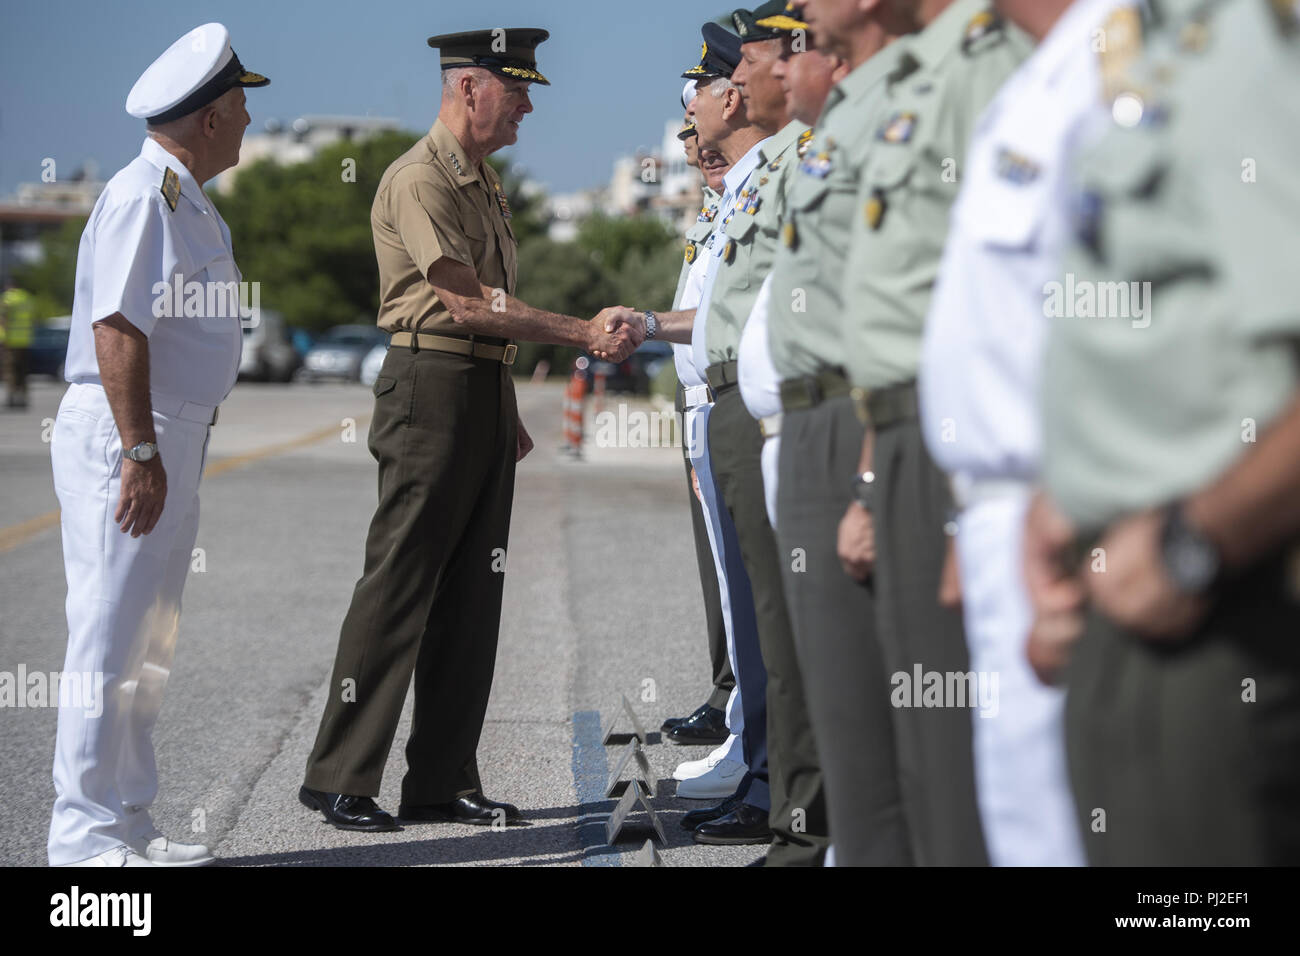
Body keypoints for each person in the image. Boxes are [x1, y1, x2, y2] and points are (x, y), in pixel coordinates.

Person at [300, 28, 640, 832]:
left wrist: (506, 404)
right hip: (430, 384)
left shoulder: (483, 181)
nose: (526, 108)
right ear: (469, 90)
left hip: (478, 386)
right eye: (517, 92)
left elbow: (487, 322)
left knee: (472, 597)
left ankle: (441, 780)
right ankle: (339, 775)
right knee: (400, 584)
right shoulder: (420, 178)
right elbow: (464, 301)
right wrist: (584, 332)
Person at [1029, 0, 1300, 866]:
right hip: (1137, 590)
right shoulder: (1169, 40)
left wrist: (1195, 542)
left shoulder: (1254, 42)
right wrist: (1067, 497)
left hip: (1222, 605)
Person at [48, 22, 268, 867]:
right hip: (129, 432)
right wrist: (140, 453)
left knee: (149, 636)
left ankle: (128, 823)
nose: (249, 120)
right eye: (241, 105)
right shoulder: (146, 195)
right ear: (209, 117)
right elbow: (116, 328)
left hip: (168, 430)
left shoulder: (182, 196)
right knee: (108, 633)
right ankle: (81, 838)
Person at [918, 0, 1128, 867]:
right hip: (1014, 509)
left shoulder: (1121, 56)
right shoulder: (1040, 73)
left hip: (1081, 517)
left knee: (1084, 830)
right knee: (1026, 823)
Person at [642, 5, 830, 863]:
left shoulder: (790, 162)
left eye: (734, 68)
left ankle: (784, 792)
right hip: (728, 406)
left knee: (776, 616)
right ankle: (764, 771)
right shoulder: (754, 173)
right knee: (753, 608)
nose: (700, 104)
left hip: (770, 414)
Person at [662, 80, 737, 757]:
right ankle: (730, 693)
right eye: (692, 142)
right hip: (700, 407)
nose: (697, 151)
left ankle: (737, 703)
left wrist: (645, 325)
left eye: (706, 142)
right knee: (718, 565)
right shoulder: (713, 210)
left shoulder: (744, 203)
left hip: (727, 403)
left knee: (737, 568)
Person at [1, 280, 37, 409]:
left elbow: (4, 318)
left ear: (9, 286)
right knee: (23, 370)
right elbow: (32, 319)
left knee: (10, 371)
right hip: (25, 341)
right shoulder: (27, 298)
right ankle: (23, 398)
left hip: (10, 341)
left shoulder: (8, 298)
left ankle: (12, 398)